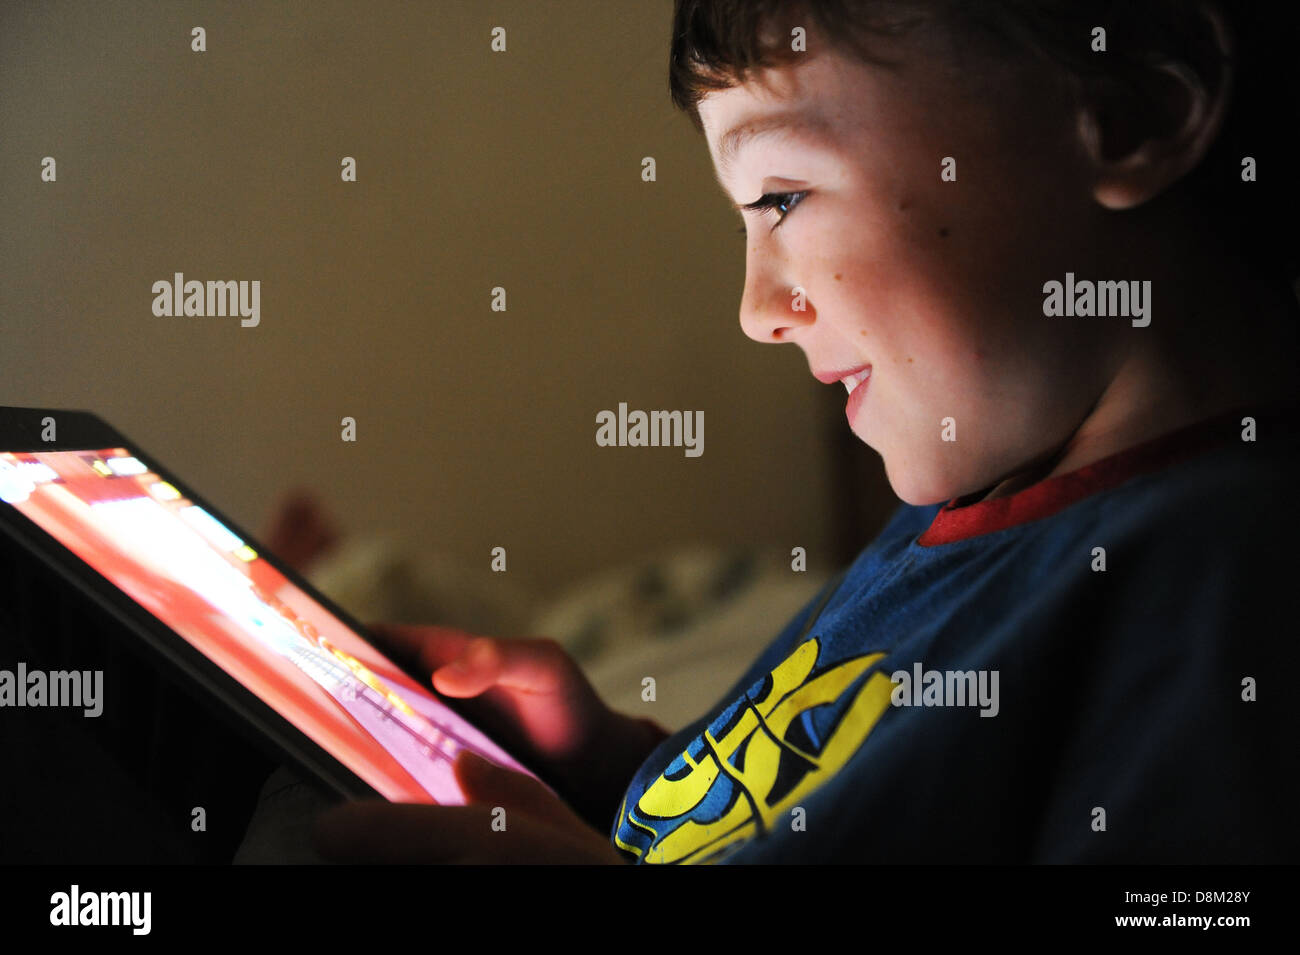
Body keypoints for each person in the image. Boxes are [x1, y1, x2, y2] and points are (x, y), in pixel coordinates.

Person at [302, 0, 1299, 863]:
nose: (758, 307)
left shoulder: (1223, 570)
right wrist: (602, 766)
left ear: (1128, 116)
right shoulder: (974, 507)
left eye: (783, 196)